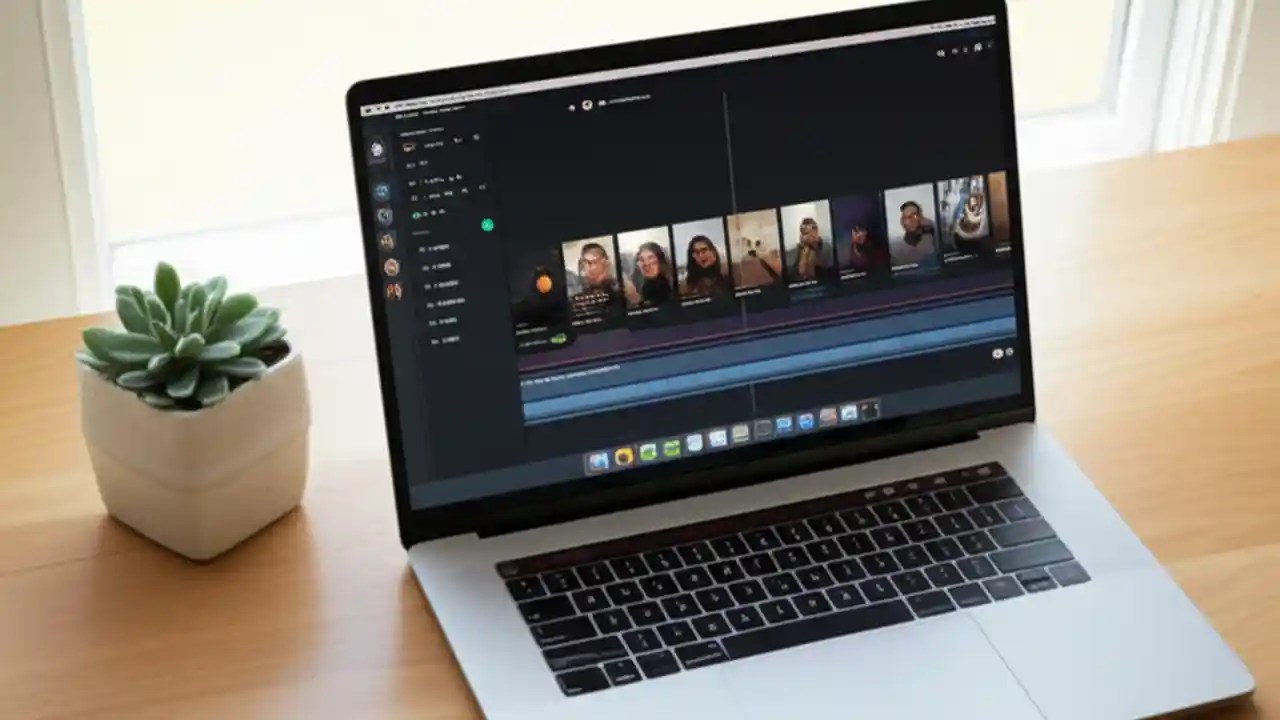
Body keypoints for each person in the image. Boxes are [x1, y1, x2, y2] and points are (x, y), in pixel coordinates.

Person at [623, 241, 674, 308]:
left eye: (651, 258)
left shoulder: (664, 285)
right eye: (641, 259)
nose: (646, 264)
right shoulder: (644, 283)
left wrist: (638, 301)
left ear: (660, 261)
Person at [891, 201, 937, 266]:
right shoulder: (899, 246)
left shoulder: (929, 229)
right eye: (906, 217)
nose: (910, 221)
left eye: (913, 216)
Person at [791, 218, 828, 282]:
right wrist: (804, 251)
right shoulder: (797, 251)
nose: (807, 238)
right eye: (804, 234)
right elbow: (796, 272)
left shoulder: (825, 247)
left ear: (816, 232)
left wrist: (816, 245)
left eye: (809, 234)